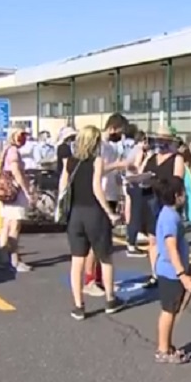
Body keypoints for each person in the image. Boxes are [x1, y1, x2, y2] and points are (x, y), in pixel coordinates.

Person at [59, 125, 125, 319]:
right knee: (105, 257)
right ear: (95, 142)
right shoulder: (96, 161)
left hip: (75, 214)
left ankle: (79, 306)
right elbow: (97, 188)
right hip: (93, 213)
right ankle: (110, 300)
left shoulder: (70, 162)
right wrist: (110, 213)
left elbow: (63, 186)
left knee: (77, 260)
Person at [83, 114, 129, 296]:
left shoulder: (112, 146)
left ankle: (102, 279)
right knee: (96, 243)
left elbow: (112, 172)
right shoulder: (99, 146)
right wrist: (117, 165)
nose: (121, 135)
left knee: (104, 243)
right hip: (99, 195)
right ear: (112, 128)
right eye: (120, 131)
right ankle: (90, 280)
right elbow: (98, 171)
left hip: (111, 194)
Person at [153, 176, 191, 363]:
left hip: (169, 270)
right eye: (184, 192)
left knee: (171, 309)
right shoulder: (171, 218)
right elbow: (171, 248)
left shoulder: (168, 213)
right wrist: (182, 275)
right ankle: (163, 350)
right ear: (178, 196)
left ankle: (167, 345)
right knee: (169, 311)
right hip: (170, 272)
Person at [139, 126, 186, 288]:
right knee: (153, 239)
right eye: (158, 139)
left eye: (164, 140)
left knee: (170, 240)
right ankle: (155, 274)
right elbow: (140, 173)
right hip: (150, 200)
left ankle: (175, 272)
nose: (160, 143)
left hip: (166, 202)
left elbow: (177, 181)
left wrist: (158, 183)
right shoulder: (151, 157)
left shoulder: (176, 158)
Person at [0, 128, 35, 273]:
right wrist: (27, 191)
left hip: (6, 192)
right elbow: (16, 172)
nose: (23, 138)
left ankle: (3, 258)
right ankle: (14, 260)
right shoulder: (13, 152)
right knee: (14, 226)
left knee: (6, 225)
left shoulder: (6, 150)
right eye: (20, 135)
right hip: (15, 192)